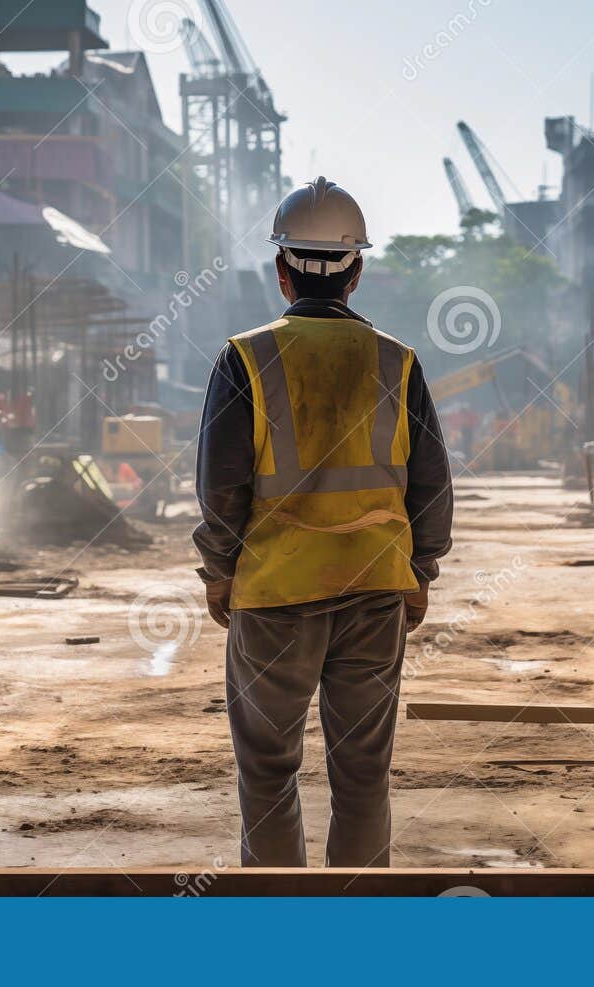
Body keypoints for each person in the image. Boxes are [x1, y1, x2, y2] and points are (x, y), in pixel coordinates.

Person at [193, 177, 453, 868]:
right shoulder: (399, 362)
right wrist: (419, 571)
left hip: (275, 595)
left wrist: (220, 574)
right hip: (375, 592)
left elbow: (221, 489)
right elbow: (431, 486)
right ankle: (360, 937)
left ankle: (279, 940)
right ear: (356, 272)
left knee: (270, 775)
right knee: (364, 776)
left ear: (281, 272)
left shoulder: (244, 358)